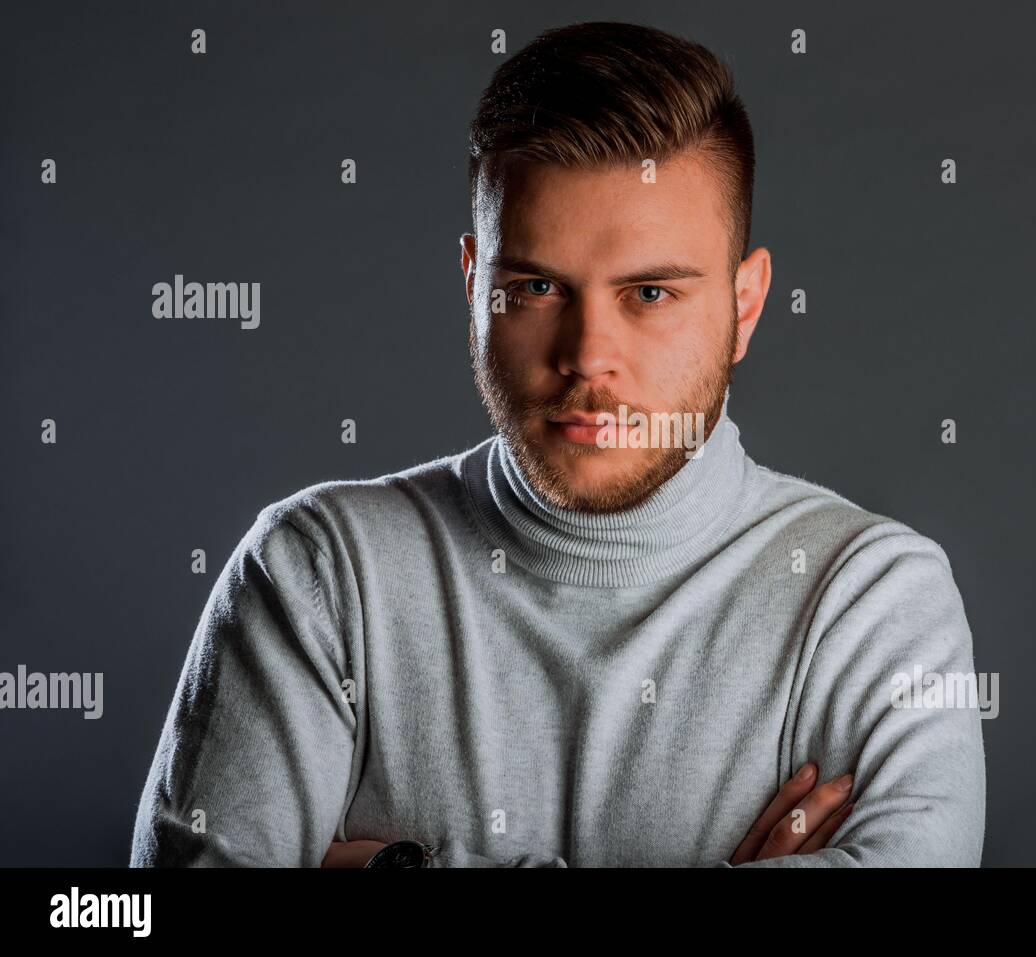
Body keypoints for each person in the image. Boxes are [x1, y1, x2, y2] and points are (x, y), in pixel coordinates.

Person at [130, 20, 985, 868]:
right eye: (536, 287)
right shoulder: (318, 576)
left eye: (650, 292)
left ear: (745, 306)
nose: (587, 356)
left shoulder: (871, 600)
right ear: (474, 288)